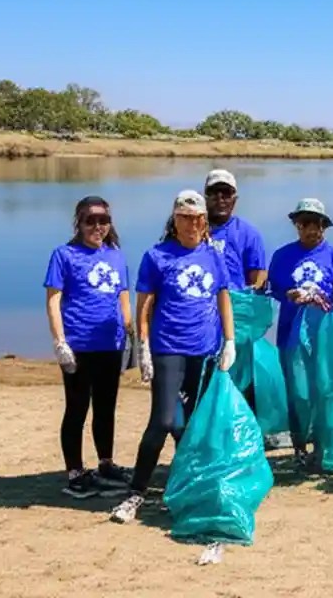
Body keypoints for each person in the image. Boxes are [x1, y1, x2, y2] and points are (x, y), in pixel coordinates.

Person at [111, 190, 236, 524]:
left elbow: (223, 297)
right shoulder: (157, 256)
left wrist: (230, 341)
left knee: (191, 426)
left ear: (204, 222)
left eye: (197, 219)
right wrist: (144, 346)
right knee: (164, 420)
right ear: (174, 220)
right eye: (185, 218)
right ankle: (136, 491)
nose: (192, 224)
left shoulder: (213, 256)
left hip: (204, 351)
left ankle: (183, 488)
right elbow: (145, 304)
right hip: (168, 348)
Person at [44, 196, 134, 499]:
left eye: (103, 220)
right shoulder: (64, 255)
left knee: (106, 407)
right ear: (78, 223)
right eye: (90, 220)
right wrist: (60, 342)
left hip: (111, 344)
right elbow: (54, 300)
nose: (97, 226)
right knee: (77, 407)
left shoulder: (116, 256)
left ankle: (106, 464)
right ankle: (75, 473)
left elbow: (123, 297)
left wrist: (132, 334)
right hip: (79, 345)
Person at [266, 198, 333, 463]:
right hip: (291, 333)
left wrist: (324, 300)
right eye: (305, 223)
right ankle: (300, 446)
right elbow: (272, 288)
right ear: (296, 226)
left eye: (317, 224)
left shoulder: (332, 254)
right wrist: (288, 294)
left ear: (324, 227)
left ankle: (322, 444)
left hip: (323, 334)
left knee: (324, 387)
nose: (312, 229)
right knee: (297, 391)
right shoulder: (282, 255)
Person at [202, 169, 272, 441]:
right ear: (205, 196)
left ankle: (247, 435)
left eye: (226, 193)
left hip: (237, 320)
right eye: (214, 193)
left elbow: (258, 277)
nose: (220, 198)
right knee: (206, 379)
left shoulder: (248, 233)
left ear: (235, 198)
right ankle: (211, 434)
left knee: (241, 378)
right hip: (201, 319)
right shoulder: (193, 229)